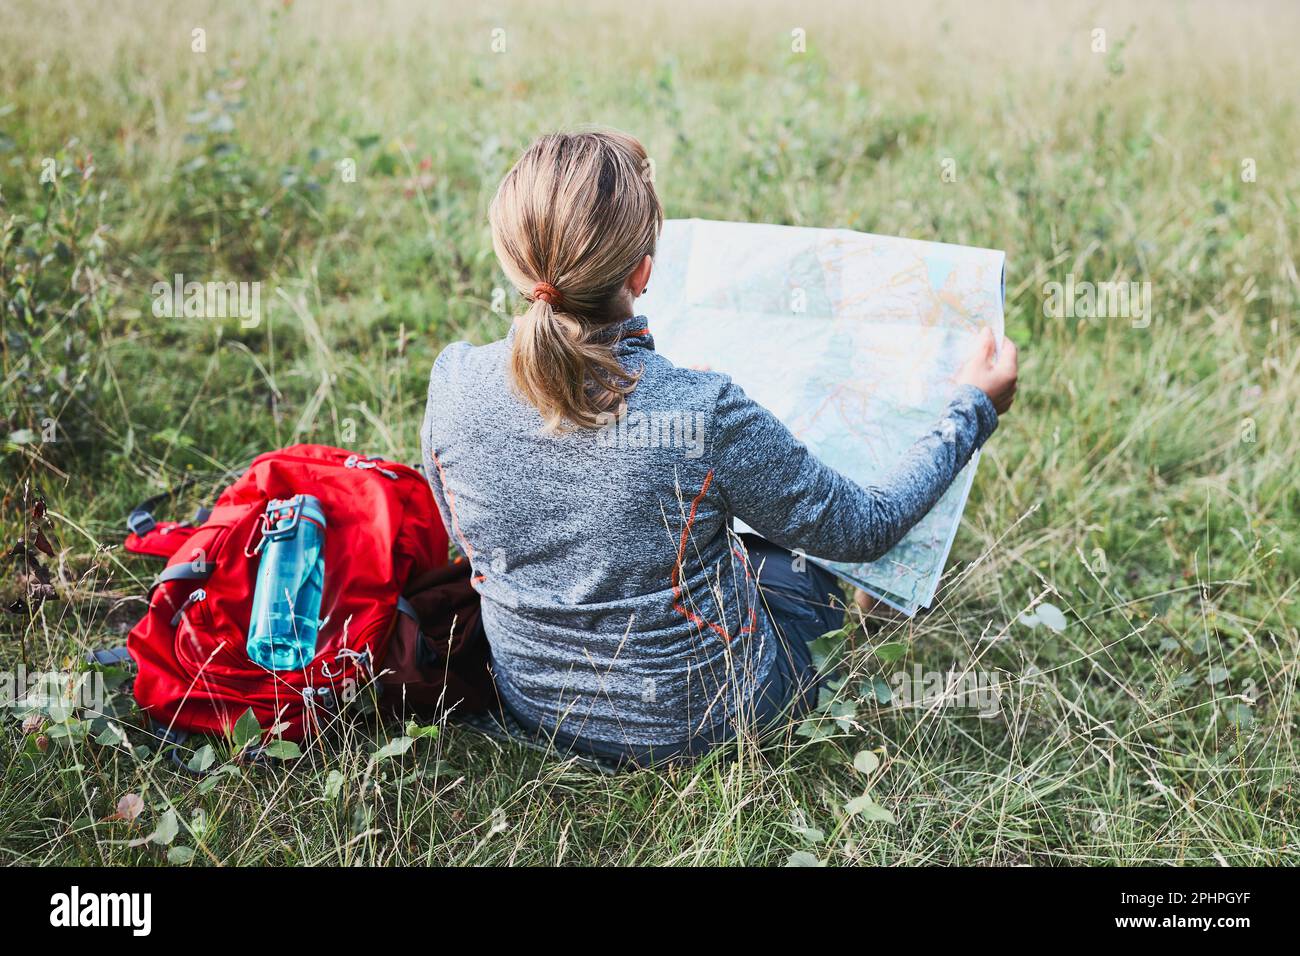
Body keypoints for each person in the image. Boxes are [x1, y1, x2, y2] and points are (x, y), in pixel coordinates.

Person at [421, 129, 1018, 767]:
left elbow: (466, 535)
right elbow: (865, 529)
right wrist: (972, 407)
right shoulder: (702, 411)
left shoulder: (454, 383)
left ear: (510, 258)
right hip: (710, 719)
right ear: (643, 271)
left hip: (533, 703)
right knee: (799, 557)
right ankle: (870, 609)